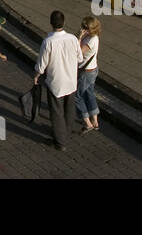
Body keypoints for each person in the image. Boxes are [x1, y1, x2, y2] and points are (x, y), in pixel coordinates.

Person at [34, 10, 82, 151]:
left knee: (57, 112)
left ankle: (60, 141)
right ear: (64, 22)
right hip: (71, 81)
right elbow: (79, 58)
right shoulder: (73, 39)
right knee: (69, 110)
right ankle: (65, 133)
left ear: (51, 23)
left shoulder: (48, 42)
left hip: (55, 82)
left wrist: (36, 75)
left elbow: (41, 64)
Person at [77, 15, 101, 133]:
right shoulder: (92, 37)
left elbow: (78, 52)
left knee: (77, 96)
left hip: (86, 73)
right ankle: (95, 121)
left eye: (85, 27)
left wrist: (79, 37)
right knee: (89, 94)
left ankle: (87, 122)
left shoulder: (91, 40)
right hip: (92, 70)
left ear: (91, 29)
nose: (82, 28)